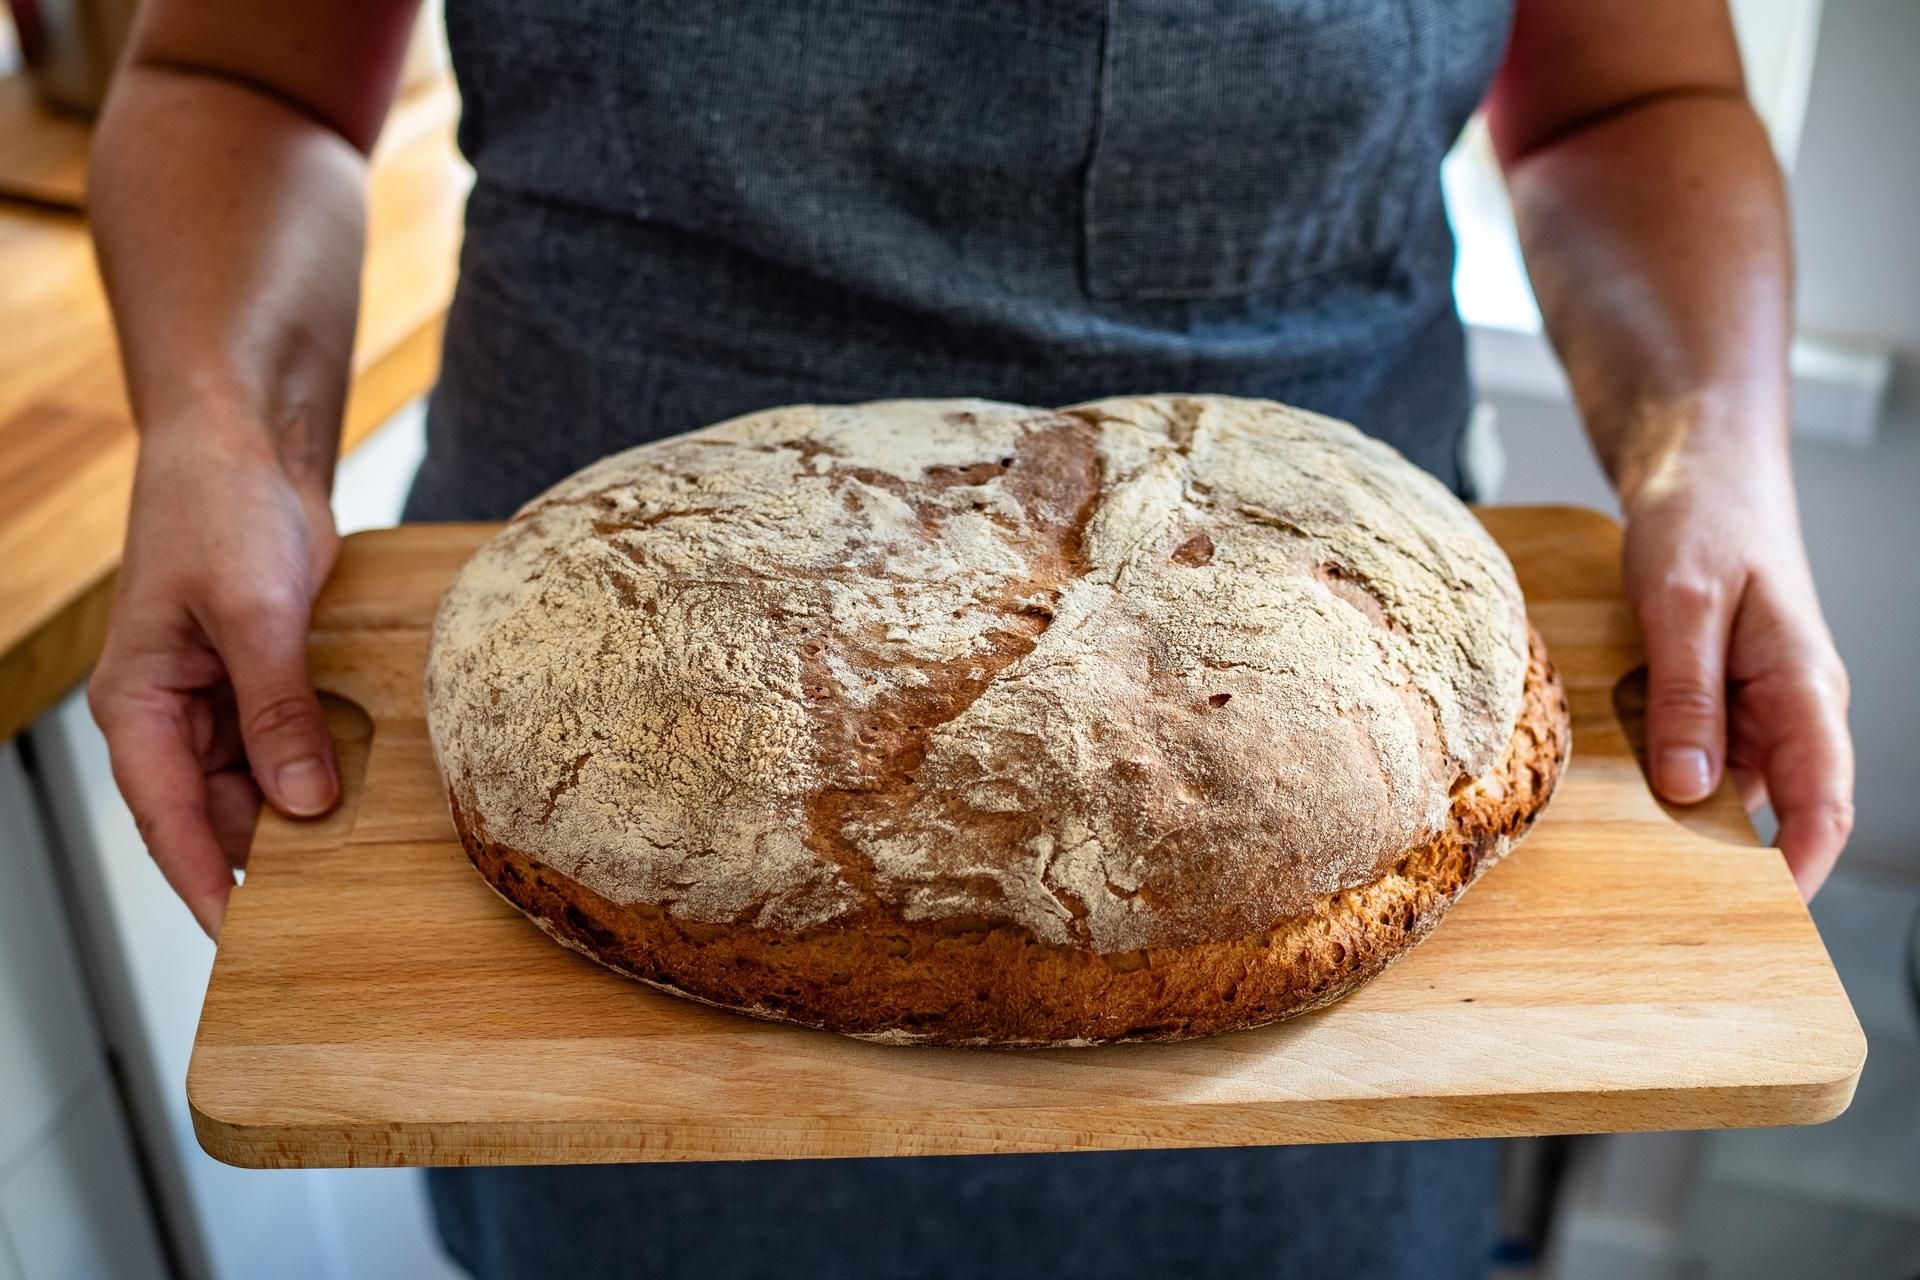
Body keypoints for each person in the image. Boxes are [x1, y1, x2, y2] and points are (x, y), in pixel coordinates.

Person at [86, 1, 1854, 1276]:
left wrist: (1712, 457)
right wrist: (224, 443)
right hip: (628, 668)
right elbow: (244, 72)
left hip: (1316, 648)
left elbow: (1632, 100)